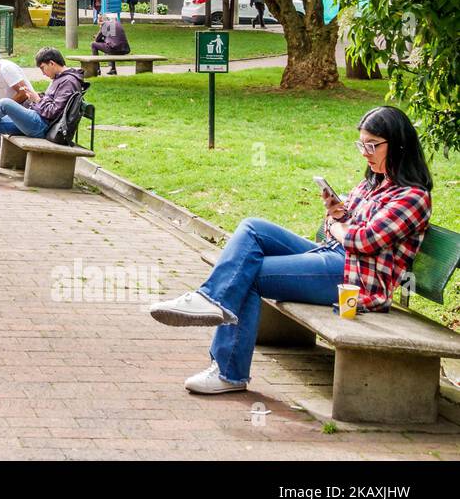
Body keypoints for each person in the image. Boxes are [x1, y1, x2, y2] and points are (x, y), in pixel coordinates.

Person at [148, 106, 432, 395]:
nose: (364, 152)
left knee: (249, 274)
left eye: (372, 145)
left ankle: (228, 372)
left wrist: (339, 228)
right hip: (335, 257)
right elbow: (345, 226)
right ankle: (208, 299)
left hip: (355, 281)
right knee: (252, 227)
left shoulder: (413, 197)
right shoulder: (372, 184)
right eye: (361, 144)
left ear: (397, 144)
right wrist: (336, 217)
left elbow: (365, 240)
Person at [0, 48, 86, 179]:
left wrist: (36, 99)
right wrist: (38, 98)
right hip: (36, 118)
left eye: (43, 68)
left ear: (52, 63)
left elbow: (52, 112)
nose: (43, 73)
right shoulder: (60, 78)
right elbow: (51, 106)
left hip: (42, 125)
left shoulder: (68, 81)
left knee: (4, 103)